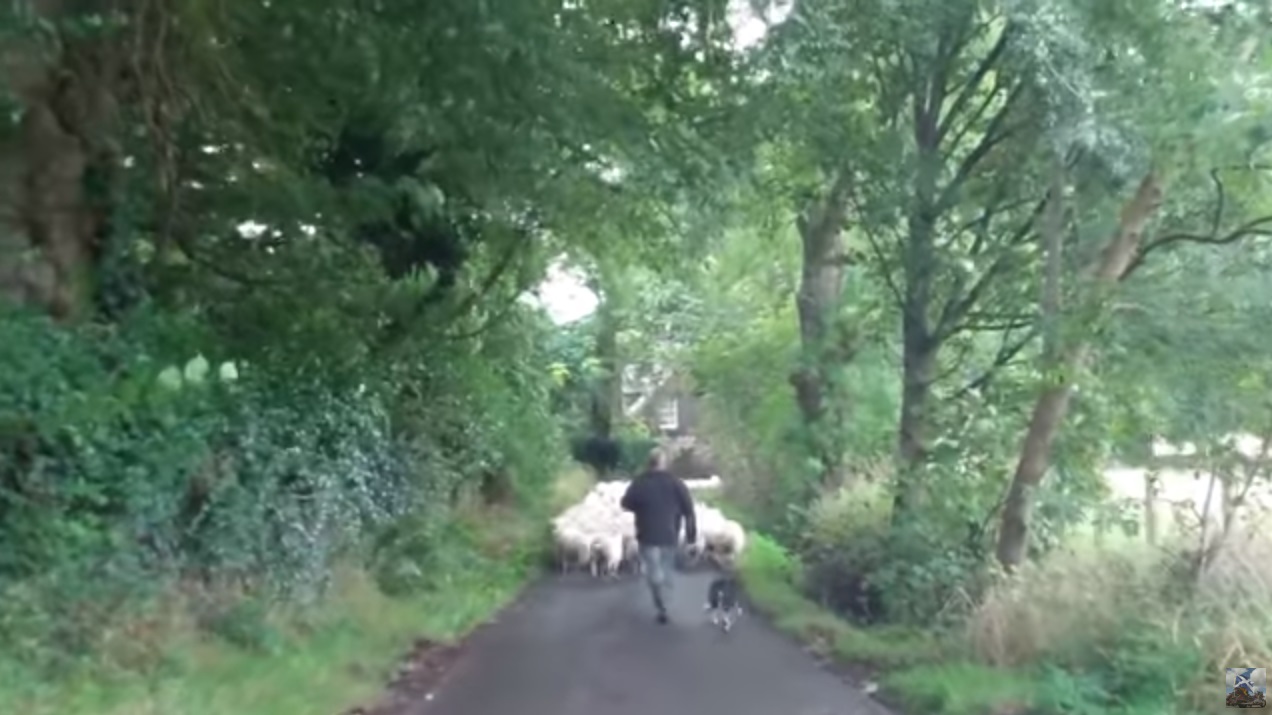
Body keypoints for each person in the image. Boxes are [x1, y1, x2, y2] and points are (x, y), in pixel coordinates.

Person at [620, 448, 697, 624]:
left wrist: (640, 507)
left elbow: (625, 503)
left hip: (646, 534)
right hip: (670, 535)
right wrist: (691, 537)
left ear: (649, 463)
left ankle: (659, 600)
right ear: (664, 463)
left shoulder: (640, 482)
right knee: (667, 570)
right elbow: (689, 511)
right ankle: (665, 606)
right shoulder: (676, 483)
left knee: (653, 570)